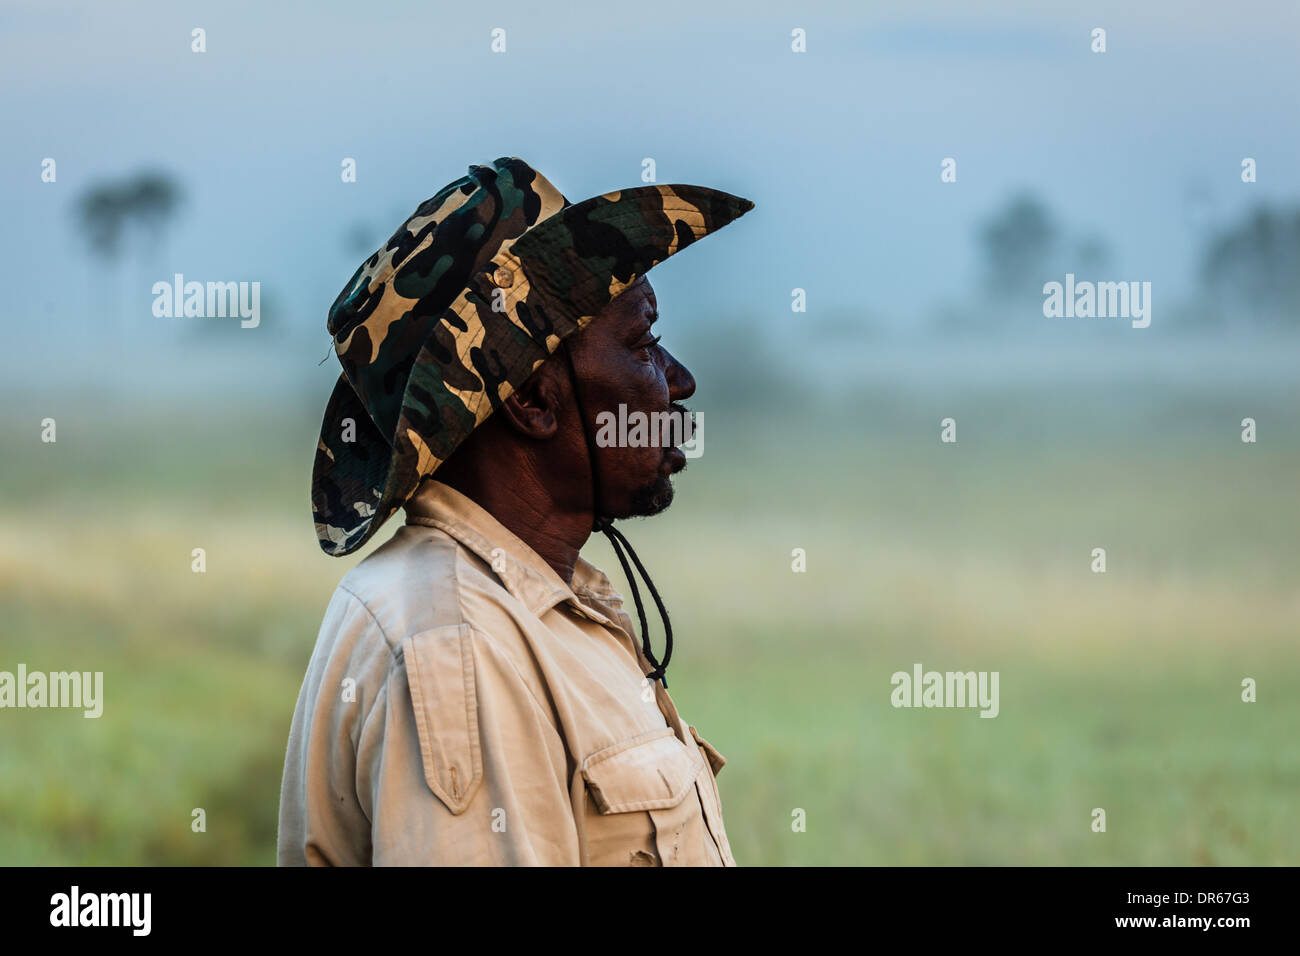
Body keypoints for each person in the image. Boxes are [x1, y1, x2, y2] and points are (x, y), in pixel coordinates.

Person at [277, 157, 753, 865]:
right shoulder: (460, 648)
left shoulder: (537, 603)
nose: (679, 381)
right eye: (644, 344)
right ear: (531, 399)